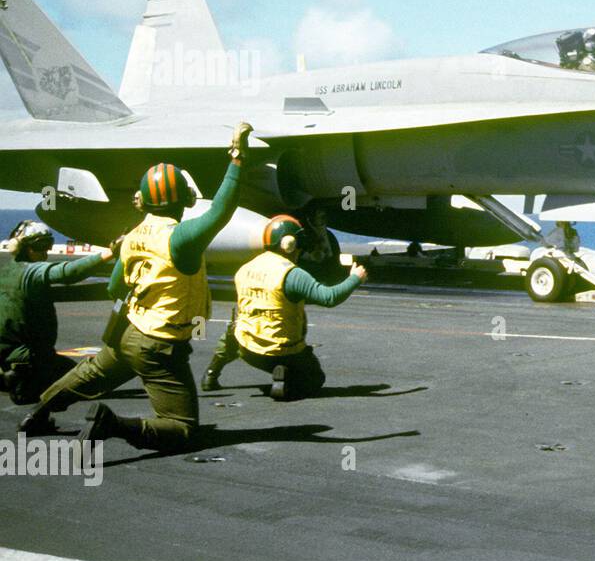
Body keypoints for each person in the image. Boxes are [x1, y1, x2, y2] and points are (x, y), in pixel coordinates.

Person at [19, 123, 253, 450]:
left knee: (89, 374)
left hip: (128, 333)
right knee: (183, 429)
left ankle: (38, 412)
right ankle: (111, 424)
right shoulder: (181, 238)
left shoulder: (130, 237)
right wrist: (238, 157)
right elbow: (221, 209)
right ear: (184, 199)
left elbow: (116, 288)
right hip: (159, 346)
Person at [201, 214, 366, 400]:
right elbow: (329, 298)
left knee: (236, 327)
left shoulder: (244, 269)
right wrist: (355, 278)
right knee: (315, 379)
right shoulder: (292, 274)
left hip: (246, 351)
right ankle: (285, 382)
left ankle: (211, 374)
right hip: (282, 352)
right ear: (291, 244)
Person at [0, 222, 113, 404]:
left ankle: (12, 374)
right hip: (28, 355)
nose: (45, 252)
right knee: (85, 383)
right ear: (27, 248)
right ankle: (20, 378)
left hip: (7, 351)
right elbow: (69, 273)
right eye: (41, 246)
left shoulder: (6, 270)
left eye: (48, 245)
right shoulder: (33, 272)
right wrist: (110, 252)